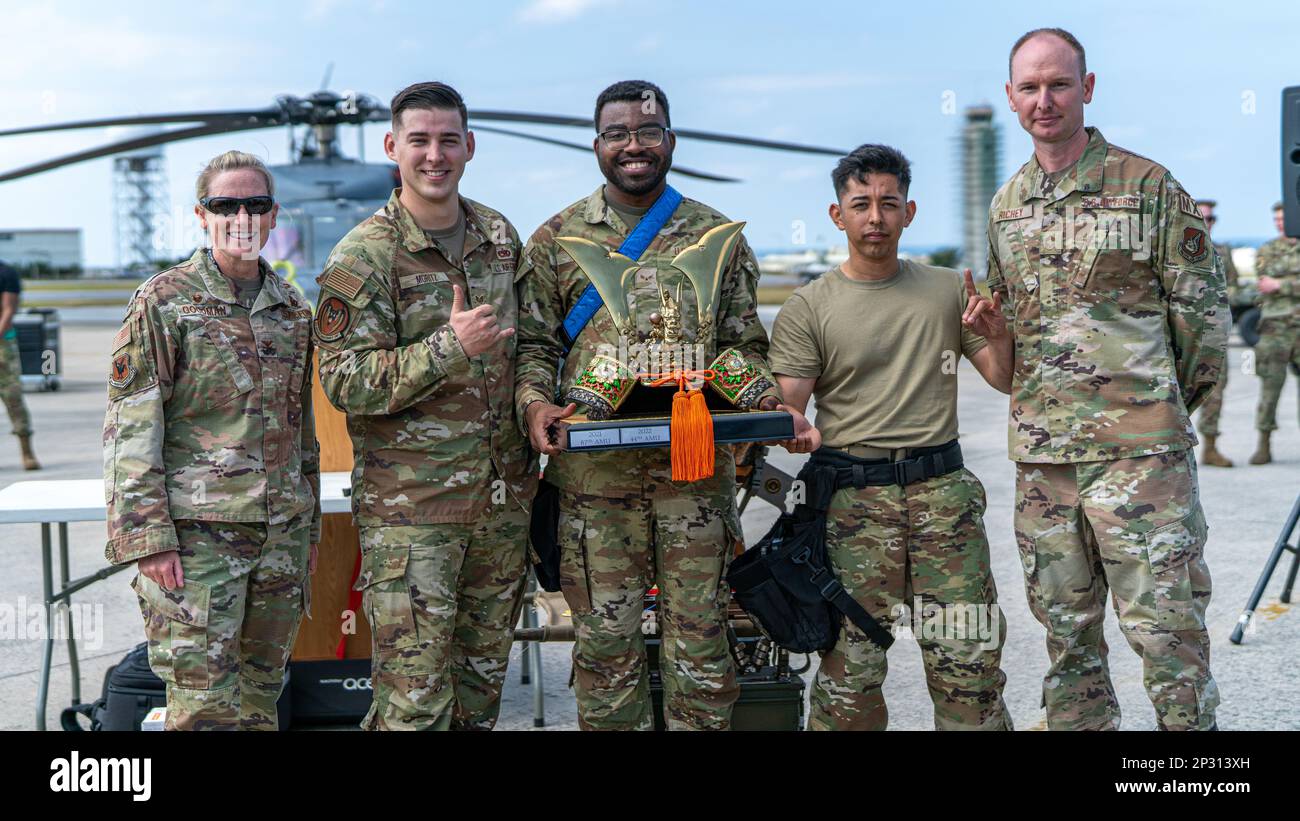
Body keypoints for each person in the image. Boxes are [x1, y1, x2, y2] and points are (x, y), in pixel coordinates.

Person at [515, 80, 801, 730]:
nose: (633, 145)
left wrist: (765, 401)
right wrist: (534, 405)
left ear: (670, 140)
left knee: (702, 649)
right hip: (594, 487)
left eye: (648, 132)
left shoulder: (716, 235)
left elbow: (742, 344)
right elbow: (533, 346)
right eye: (617, 133)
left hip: (693, 479)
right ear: (597, 144)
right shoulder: (556, 239)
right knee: (605, 655)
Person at [987, 28, 1228, 730]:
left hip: (1141, 463)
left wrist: (1153, 412)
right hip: (1044, 466)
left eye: (1059, 84)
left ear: (1086, 88)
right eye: (1030, 87)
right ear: (1011, 97)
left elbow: (1202, 325)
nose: (1044, 100)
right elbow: (1013, 333)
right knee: (1067, 641)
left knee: (1168, 635)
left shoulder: (1148, 188)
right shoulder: (1007, 206)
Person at [313, 82, 536, 731]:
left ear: (469, 146)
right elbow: (344, 380)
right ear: (393, 147)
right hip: (414, 517)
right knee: (414, 703)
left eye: (447, 140)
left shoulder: (499, 236)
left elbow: (530, 346)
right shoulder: (363, 255)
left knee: (478, 695)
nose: (434, 155)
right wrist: (447, 348)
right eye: (419, 140)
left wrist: (536, 403)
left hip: (500, 508)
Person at [769, 144, 1013, 731]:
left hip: (943, 498)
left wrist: (1000, 335)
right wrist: (792, 427)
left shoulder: (949, 289)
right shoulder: (809, 306)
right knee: (849, 674)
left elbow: (1003, 378)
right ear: (838, 215)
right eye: (861, 204)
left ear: (909, 211)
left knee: (968, 665)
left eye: (888, 203)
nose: (875, 217)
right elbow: (790, 409)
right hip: (852, 505)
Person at [104, 150, 320, 730]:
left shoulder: (292, 309)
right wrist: (148, 538)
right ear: (202, 215)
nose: (241, 218)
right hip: (199, 541)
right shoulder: (164, 301)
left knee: (262, 699)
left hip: (281, 537)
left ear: (273, 215)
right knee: (203, 709)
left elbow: (301, 429)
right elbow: (131, 426)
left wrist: (309, 530)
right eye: (226, 205)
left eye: (255, 204)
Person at [1248, 201, 1300, 464]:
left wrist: (1281, 284)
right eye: (1277, 219)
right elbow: (1263, 283)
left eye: (1284, 218)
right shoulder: (1267, 249)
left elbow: (1273, 284)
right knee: (1269, 390)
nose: (1281, 223)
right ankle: (1263, 444)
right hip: (1274, 330)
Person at [1193, 199, 1240, 467]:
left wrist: (1217, 296)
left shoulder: (1222, 251)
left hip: (1214, 335)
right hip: (1179, 336)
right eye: (1202, 217)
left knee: (1216, 392)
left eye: (1211, 219)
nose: (1206, 223)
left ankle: (1210, 448)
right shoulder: (1173, 250)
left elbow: (1234, 286)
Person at [0, 259, 39, 470]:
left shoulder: (6, 273)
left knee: (12, 396)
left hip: (3, 345)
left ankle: (27, 451)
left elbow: (8, 310)